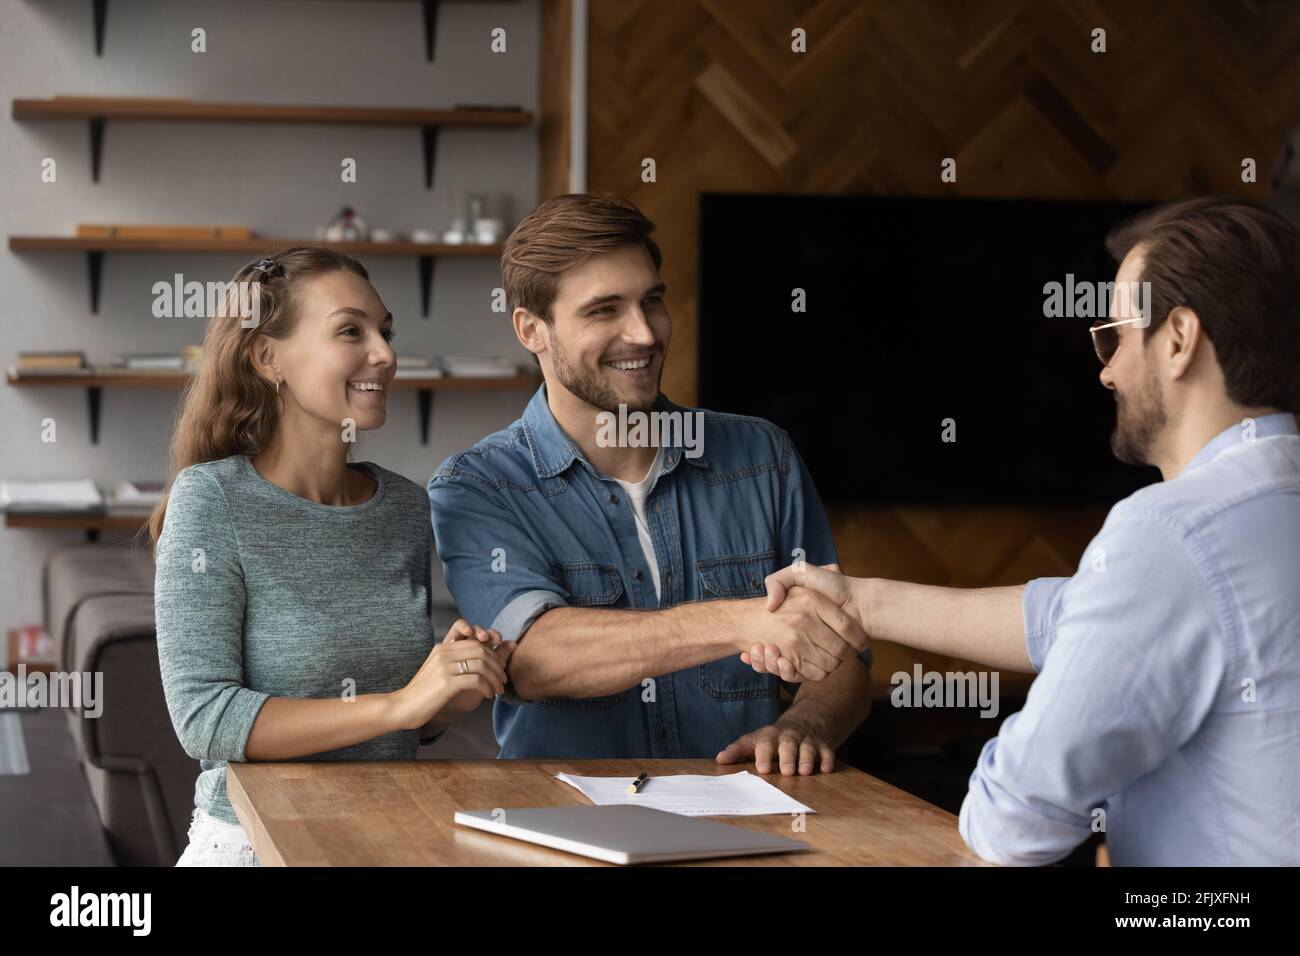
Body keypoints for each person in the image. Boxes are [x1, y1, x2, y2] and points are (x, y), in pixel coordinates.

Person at [754, 197, 1300, 865]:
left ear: (1179, 339)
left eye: (1118, 334)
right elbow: (1070, 614)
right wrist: (859, 601)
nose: (1106, 369)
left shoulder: (1171, 532)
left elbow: (1015, 817)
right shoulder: (1258, 510)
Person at [427, 194, 872, 775]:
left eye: (651, 301)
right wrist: (741, 621)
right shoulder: (478, 486)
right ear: (531, 329)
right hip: (563, 836)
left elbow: (843, 652)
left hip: (744, 825)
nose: (642, 333)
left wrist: (804, 723)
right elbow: (534, 658)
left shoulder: (763, 458)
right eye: (604, 310)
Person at [151, 247, 509, 866]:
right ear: (269, 357)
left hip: (387, 837)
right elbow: (205, 719)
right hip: (255, 845)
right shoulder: (212, 500)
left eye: (386, 332)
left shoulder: (402, 507)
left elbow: (399, 724)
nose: (386, 355)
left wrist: (447, 692)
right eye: (351, 331)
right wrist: (401, 703)